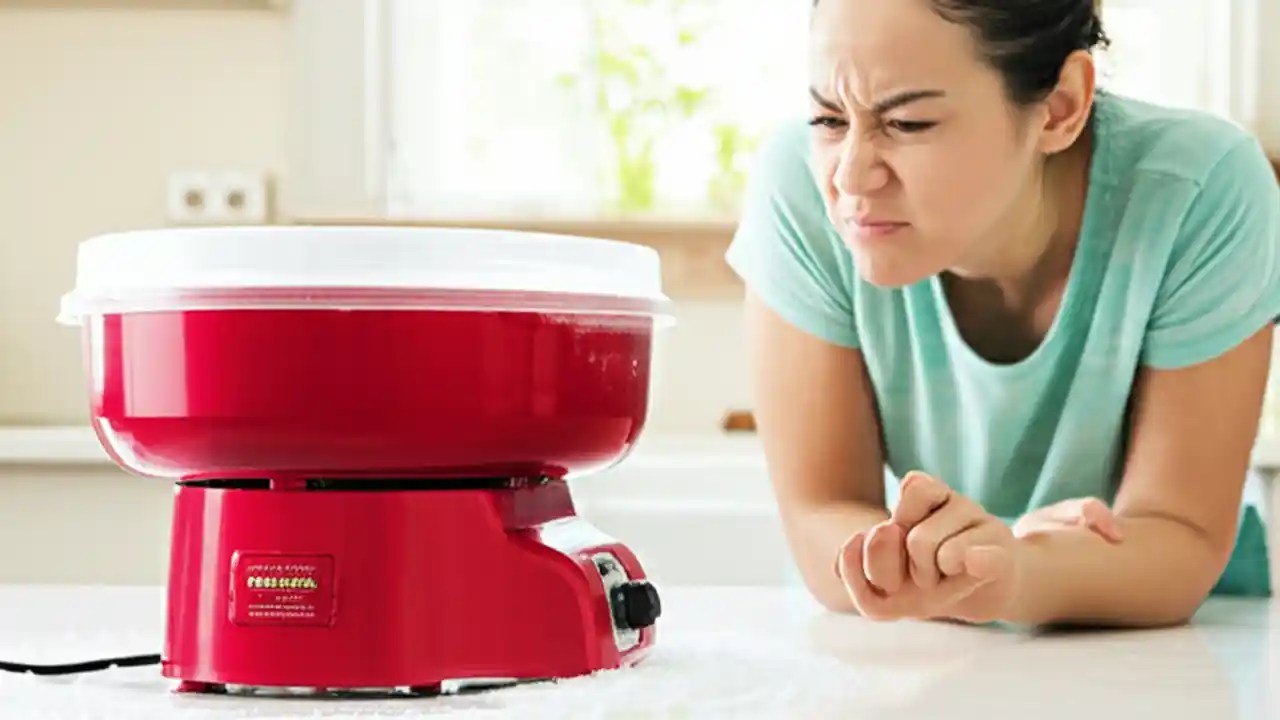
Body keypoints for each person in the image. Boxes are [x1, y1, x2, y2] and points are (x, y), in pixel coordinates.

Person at [725, 0, 1280, 627]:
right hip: (938, 640)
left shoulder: (1201, 188)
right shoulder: (797, 186)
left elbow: (1177, 536)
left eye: (907, 123)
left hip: (1173, 643)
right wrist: (975, 566)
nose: (850, 176)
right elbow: (821, 517)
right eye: (828, 117)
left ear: (1061, 106)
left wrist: (1016, 569)